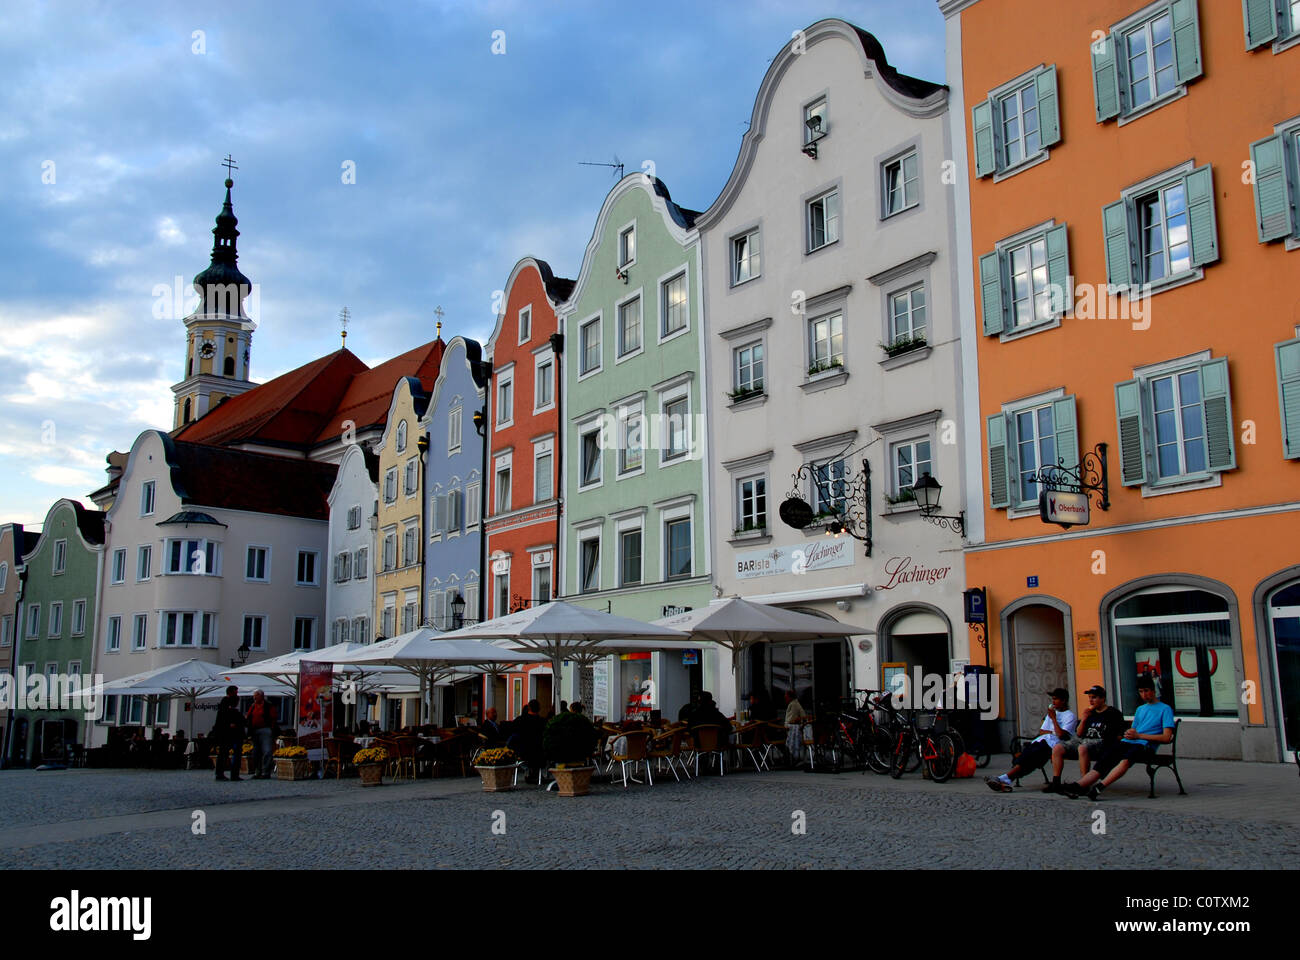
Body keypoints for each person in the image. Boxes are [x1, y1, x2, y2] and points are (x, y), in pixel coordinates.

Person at [1064, 676, 1174, 800]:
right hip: (1129, 741)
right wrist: (1129, 733)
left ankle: (1099, 787)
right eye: (1141, 691)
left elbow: (1166, 737)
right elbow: (1134, 729)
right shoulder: (1140, 709)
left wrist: (1139, 736)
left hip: (1145, 745)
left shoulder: (1165, 709)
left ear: (1153, 690)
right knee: (1105, 759)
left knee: (1125, 760)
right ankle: (1079, 786)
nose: (1144, 695)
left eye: (1146, 691)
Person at [985, 688, 1076, 792]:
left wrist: (1054, 719)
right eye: (1053, 699)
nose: (1053, 702)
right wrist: (1053, 729)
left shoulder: (1069, 716)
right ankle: (1005, 779)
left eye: (1056, 699)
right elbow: (1042, 731)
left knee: (1031, 758)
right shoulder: (1051, 714)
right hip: (1041, 741)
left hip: (1054, 745)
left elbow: (1061, 735)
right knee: (1026, 756)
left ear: (1063, 700)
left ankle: (1004, 778)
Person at [1045, 684, 1126, 793]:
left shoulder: (1113, 713)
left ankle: (1084, 784)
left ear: (1103, 698)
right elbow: (1079, 733)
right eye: (1089, 697)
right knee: (1058, 748)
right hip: (1083, 740)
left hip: (1101, 741)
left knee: (1083, 747)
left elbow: (1119, 734)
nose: (1091, 700)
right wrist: (1084, 719)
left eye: (1094, 697)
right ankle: (1056, 782)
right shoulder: (1090, 713)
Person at [211, 686, 246, 782]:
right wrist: (231, 724)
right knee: (224, 753)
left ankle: (231, 774)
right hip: (227, 734)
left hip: (232, 733)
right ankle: (223, 774)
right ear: (230, 693)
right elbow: (224, 718)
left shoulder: (231, 704)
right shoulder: (226, 703)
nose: (237, 694)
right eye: (235, 692)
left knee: (229, 753)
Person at [507, 700, 546, 777]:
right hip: (539, 753)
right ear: (539, 709)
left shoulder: (520, 720)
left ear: (529, 708)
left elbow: (510, 731)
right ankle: (535, 774)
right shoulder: (542, 721)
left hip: (523, 753)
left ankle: (530, 772)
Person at [245, 690, 278, 779]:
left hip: (266, 729)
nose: (254, 698)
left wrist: (271, 729)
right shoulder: (253, 706)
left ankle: (265, 772)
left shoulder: (268, 706)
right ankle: (257, 771)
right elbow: (248, 716)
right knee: (256, 752)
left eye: (256, 696)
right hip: (254, 730)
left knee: (267, 751)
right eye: (254, 696)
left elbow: (274, 717)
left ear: (262, 696)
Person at [783, 690, 807, 767]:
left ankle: (789, 758)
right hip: (797, 729)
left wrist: (784, 726)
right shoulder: (795, 704)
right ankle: (789, 757)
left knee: (781, 738)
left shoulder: (793, 705)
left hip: (792, 729)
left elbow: (791, 719)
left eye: (786, 697)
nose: (785, 699)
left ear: (790, 697)